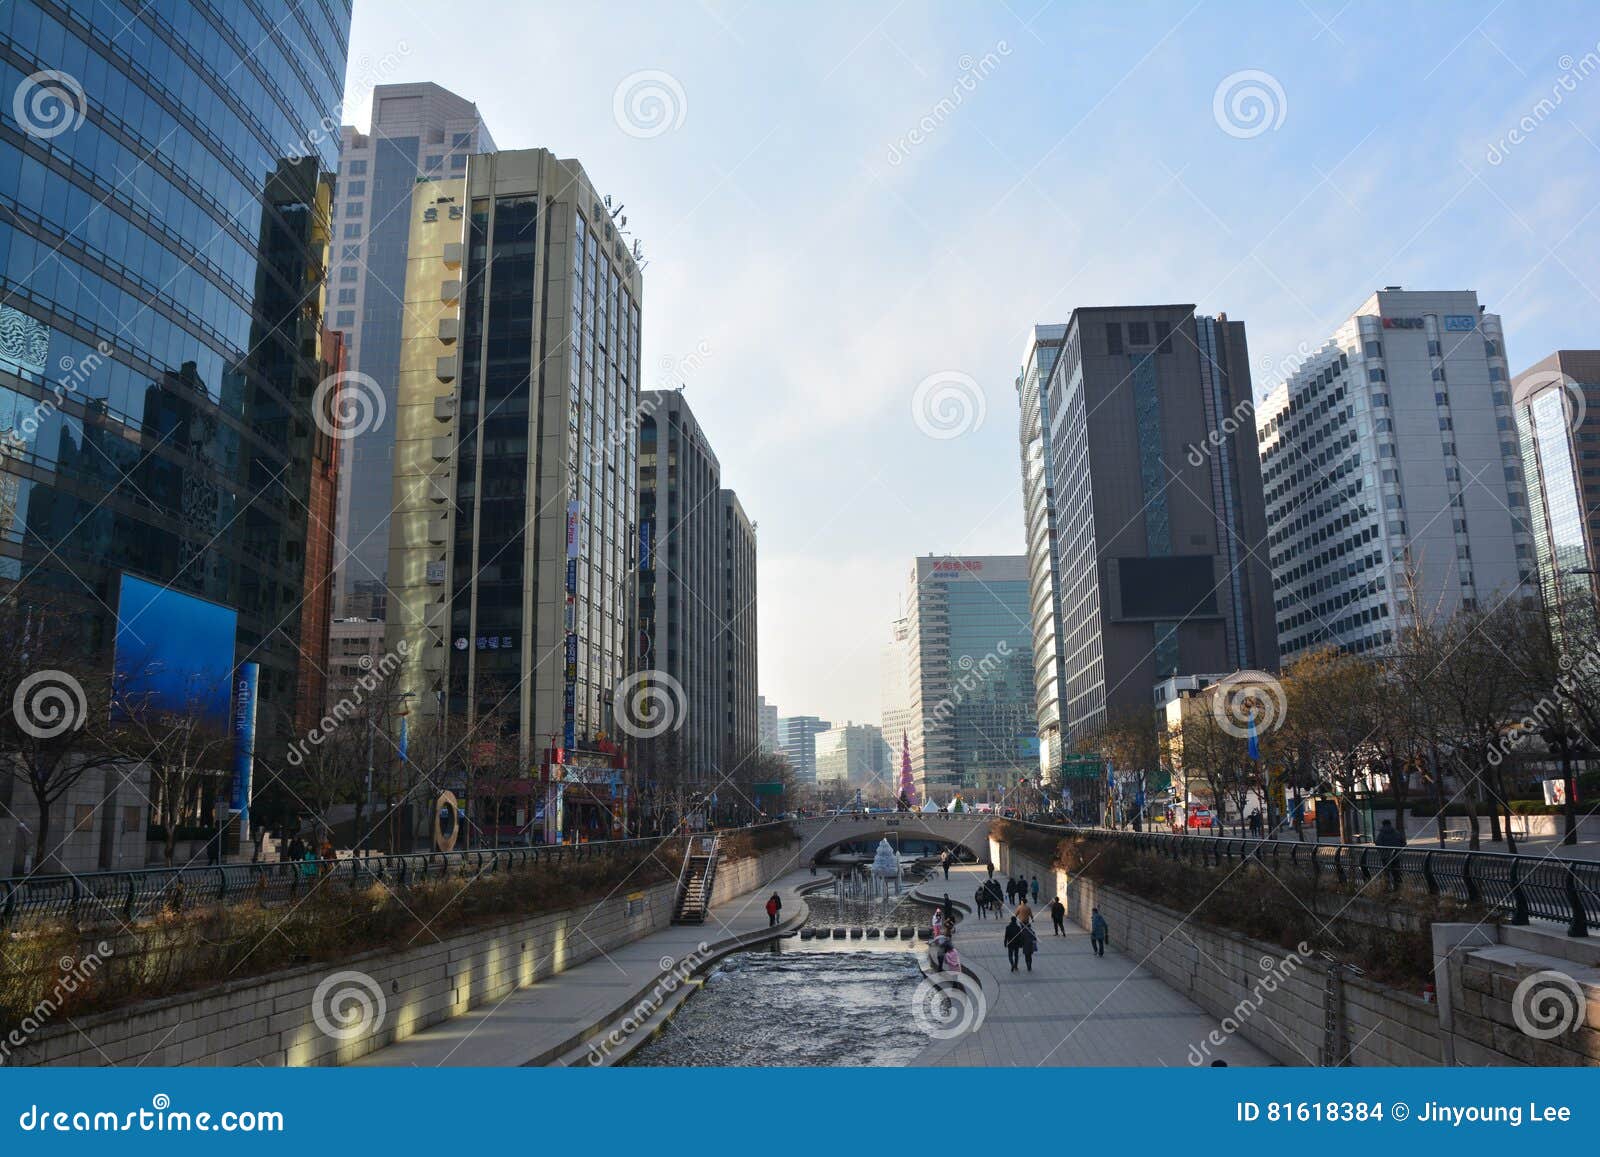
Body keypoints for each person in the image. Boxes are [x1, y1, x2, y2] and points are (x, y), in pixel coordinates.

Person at [1375, 818, 1407, 891]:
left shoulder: (1381, 833)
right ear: (1390, 824)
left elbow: (1378, 843)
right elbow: (1403, 842)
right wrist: (1399, 850)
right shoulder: (1396, 832)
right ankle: (1397, 887)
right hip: (1396, 855)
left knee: (1386, 871)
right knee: (1396, 871)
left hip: (1385, 856)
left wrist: (1382, 852)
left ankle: (1386, 887)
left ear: (1383, 824)